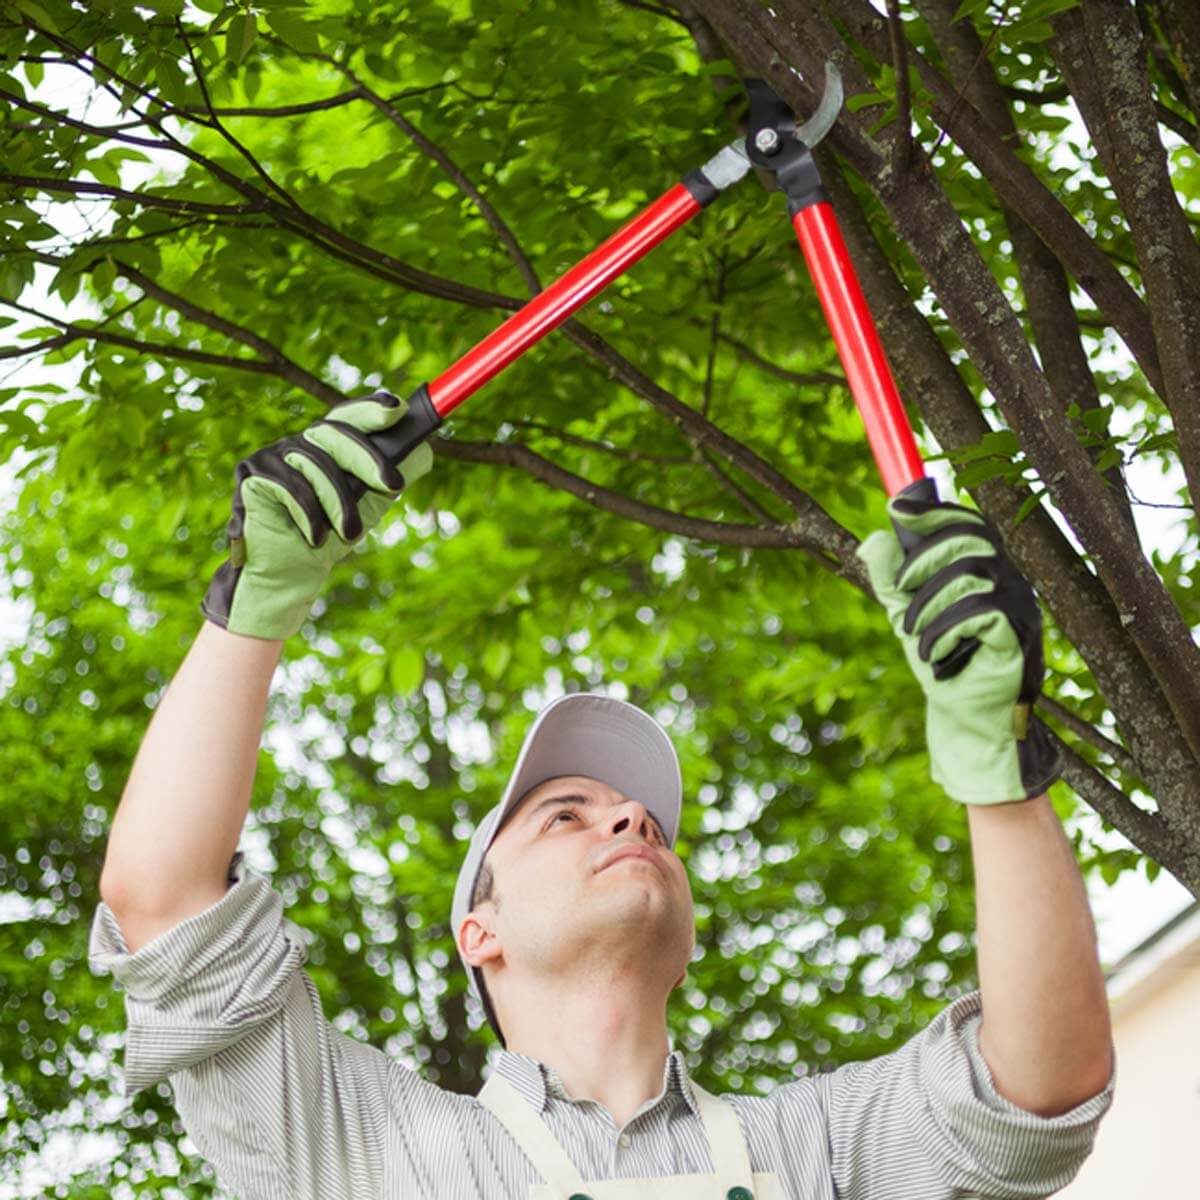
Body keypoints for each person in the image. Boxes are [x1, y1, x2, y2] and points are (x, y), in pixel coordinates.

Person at [90, 394, 1116, 1199]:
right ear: (477, 932)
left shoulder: (816, 1148)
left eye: (649, 824)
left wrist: (998, 770)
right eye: (564, 814)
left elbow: (1037, 1090)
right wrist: (252, 608)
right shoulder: (364, 1148)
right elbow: (166, 904)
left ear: (691, 937)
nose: (631, 819)